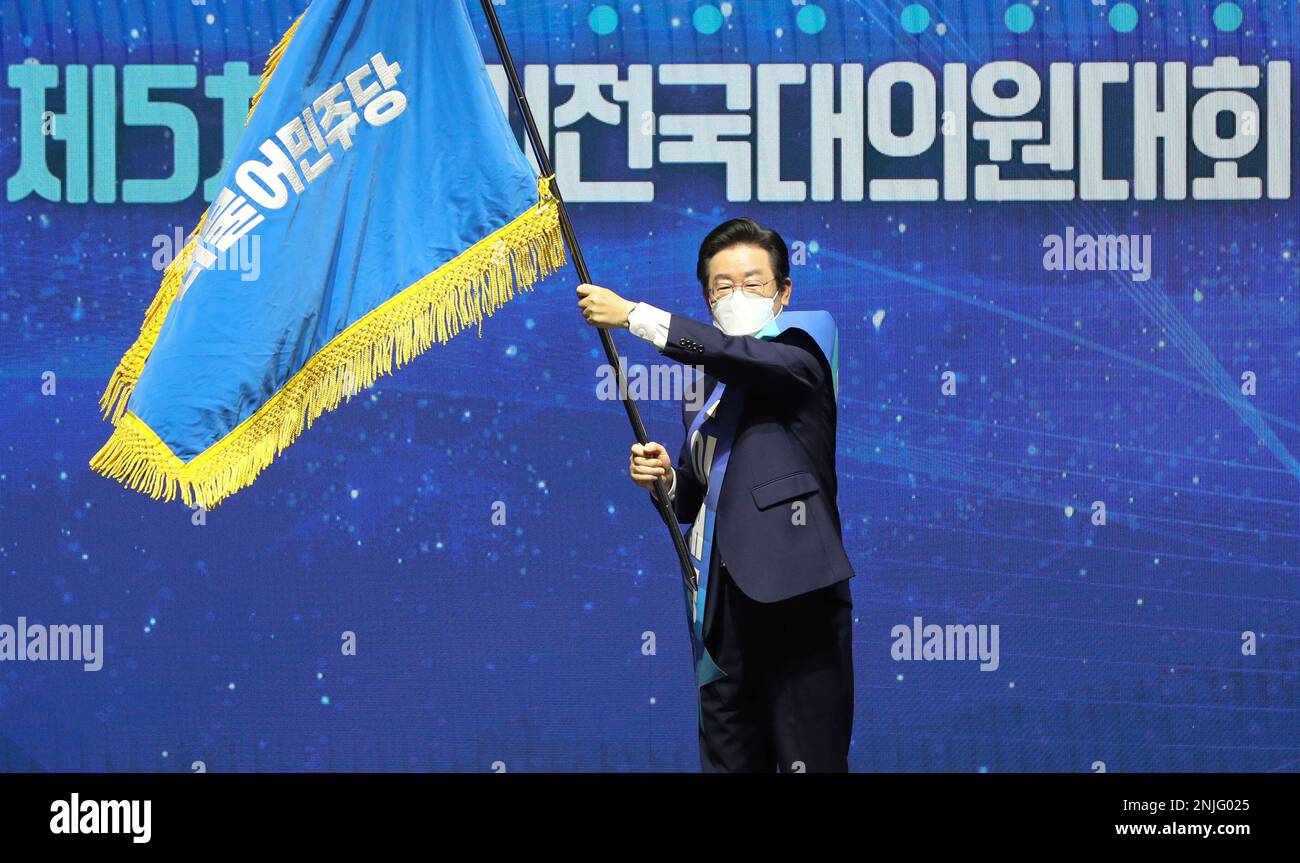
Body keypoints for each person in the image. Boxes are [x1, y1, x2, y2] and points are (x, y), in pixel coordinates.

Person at [576, 217, 856, 772]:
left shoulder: (805, 344)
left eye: (753, 283)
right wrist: (666, 478)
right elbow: (692, 501)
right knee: (728, 759)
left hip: (792, 590)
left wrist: (634, 316)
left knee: (810, 758)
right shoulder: (704, 388)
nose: (737, 295)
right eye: (722, 287)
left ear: (783, 292)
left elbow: (739, 356)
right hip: (718, 604)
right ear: (707, 298)